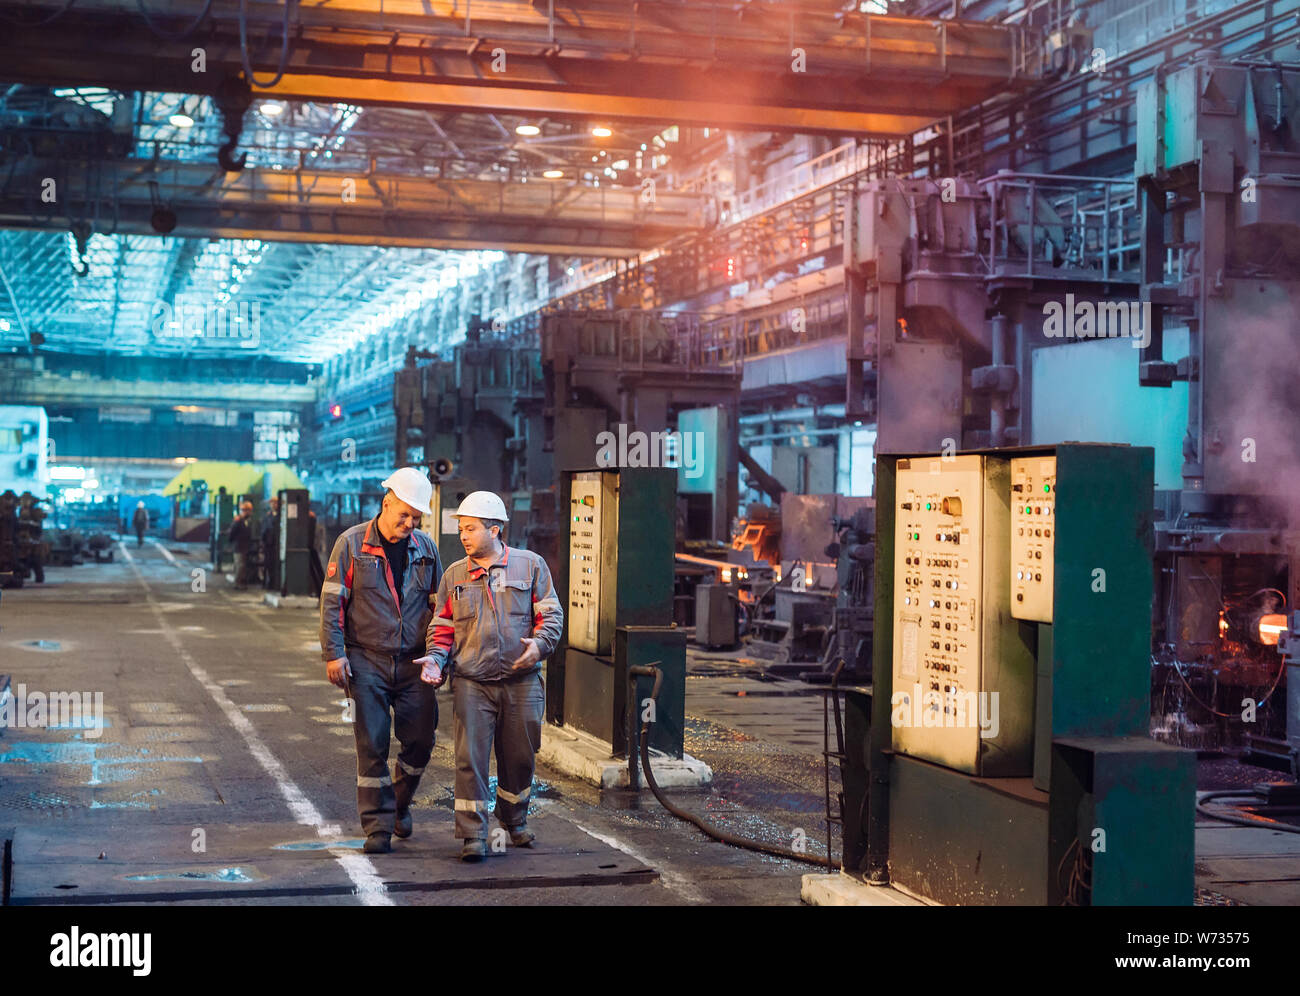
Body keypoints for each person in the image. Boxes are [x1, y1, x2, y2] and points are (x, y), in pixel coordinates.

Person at [416, 491, 563, 862]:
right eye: (461, 529)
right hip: (472, 683)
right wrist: (435, 658)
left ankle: (513, 820)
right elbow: (443, 627)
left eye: (470, 528)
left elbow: (551, 615)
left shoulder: (530, 567)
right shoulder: (455, 576)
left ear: (495, 530)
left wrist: (540, 645)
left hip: (522, 682)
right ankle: (473, 834)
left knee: (520, 758)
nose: (463, 536)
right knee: (471, 759)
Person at [320, 468, 443, 855]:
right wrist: (334, 653)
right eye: (403, 515)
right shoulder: (351, 544)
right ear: (386, 503)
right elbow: (332, 602)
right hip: (366, 660)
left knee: (421, 741)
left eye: (416, 519)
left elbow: (440, 607)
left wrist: (440, 657)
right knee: (372, 742)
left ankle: (401, 802)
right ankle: (377, 826)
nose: (410, 524)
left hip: (413, 662)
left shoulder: (426, 548)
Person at [228, 501, 255, 590]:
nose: (247, 512)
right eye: (244, 510)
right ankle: (238, 583)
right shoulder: (238, 521)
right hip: (238, 546)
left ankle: (242, 582)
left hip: (246, 547)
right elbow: (231, 533)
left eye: (248, 510)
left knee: (243, 566)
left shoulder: (249, 521)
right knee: (240, 565)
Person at [261, 497, 281, 591]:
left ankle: (276, 583)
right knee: (268, 565)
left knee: (277, 565)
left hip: (278, 545)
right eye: (272, 503)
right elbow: (264, 531)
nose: (274, 504)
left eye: (275, 503)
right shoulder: (267, 517)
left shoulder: (281, 516)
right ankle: (269, 582)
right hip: (269, 545)